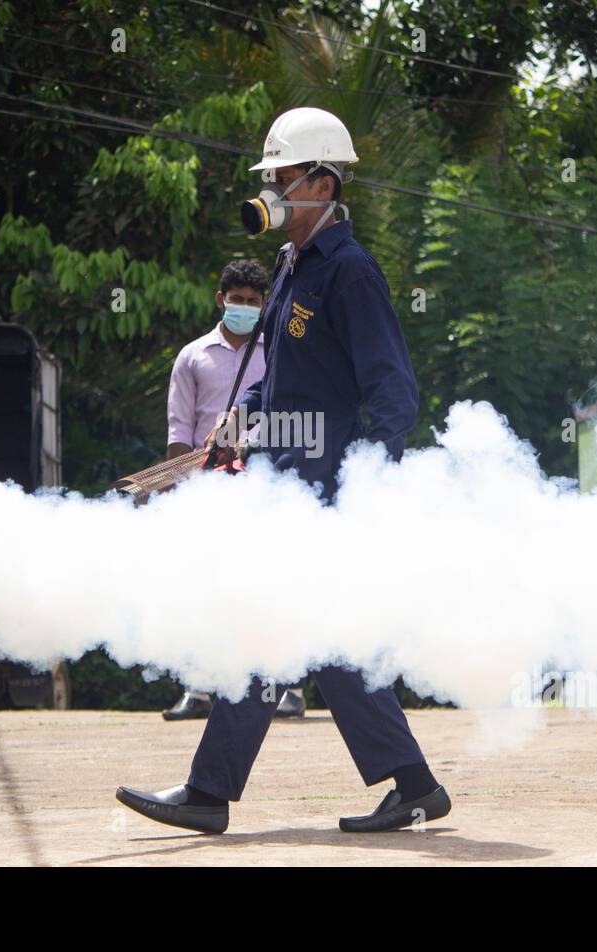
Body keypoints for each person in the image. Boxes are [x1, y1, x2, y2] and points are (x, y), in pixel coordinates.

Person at [116, 107, 450, 834]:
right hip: (287, 485)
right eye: (269, 179)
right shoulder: (291, 267)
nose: (270, 191)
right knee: (302, 640)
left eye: (282, 178)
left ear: (322, 183)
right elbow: (278, 381)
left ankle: (212, 792)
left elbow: (392, 392)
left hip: (329, 491)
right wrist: (238, 423)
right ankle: (412, 785)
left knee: (280, 632)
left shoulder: (352, 274)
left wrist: (372, 490)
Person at [160, 260, 305, 722]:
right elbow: (180, 428)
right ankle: (199, 688)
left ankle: (287, 688)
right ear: (221, 299)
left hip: (265, 482)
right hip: (206, 488)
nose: (244, 307)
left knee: (272, 583)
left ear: (264, 306)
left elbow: (289, 415)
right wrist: (175, 486)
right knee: (205, 587)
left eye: (253, 301)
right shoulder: (193, 356)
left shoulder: (278, 352)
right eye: (236, 299)